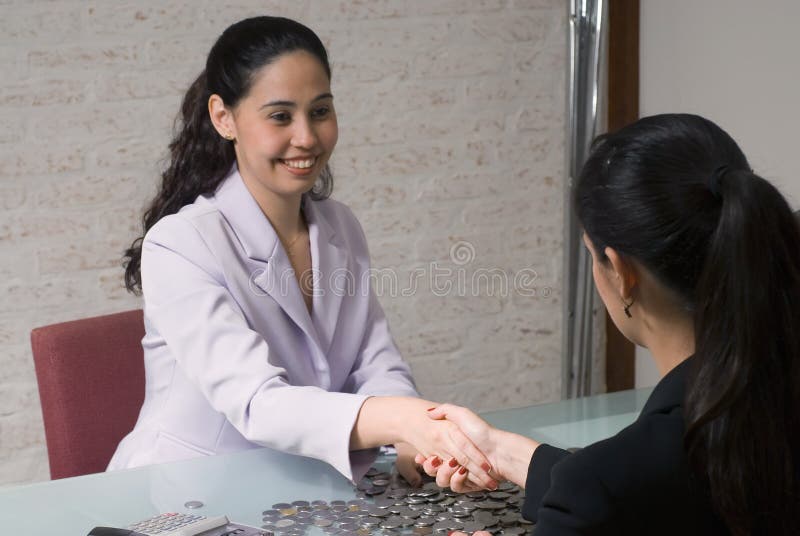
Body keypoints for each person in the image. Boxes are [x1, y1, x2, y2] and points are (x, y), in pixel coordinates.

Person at [109, 15, 496, 488]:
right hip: (185, 497)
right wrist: (403, 420)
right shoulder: (180, 243)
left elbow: (373, 361)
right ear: (223, 118)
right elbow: (258, 402)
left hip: (301, 493)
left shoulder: (340, 226)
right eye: (279, 116)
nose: (307, 138)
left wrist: (412, 444)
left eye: (319, 111)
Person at [420, 114, 800, 534]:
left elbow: (621, 492)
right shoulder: (758, 403)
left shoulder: (609, 483)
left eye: (591, 253)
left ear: (621, 273)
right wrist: (502, 452)